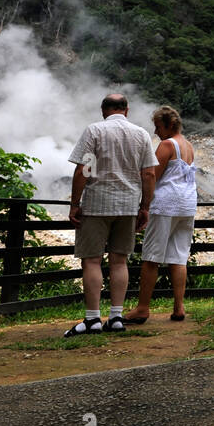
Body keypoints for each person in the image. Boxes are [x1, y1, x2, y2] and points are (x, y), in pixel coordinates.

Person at [65, 93, 157, 336]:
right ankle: (116, 317)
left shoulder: (94, 131)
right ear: (126, 110)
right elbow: (149, 174)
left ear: (103, 110)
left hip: (97, 204)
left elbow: (83, 170)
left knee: (92, 260)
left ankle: (92, 319)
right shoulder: (142, 134)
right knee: (119, 261)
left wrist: (75, 204)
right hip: (128, 206)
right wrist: (145, 207)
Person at [124, 105, 197, 323]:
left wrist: (143, 205)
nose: (155, 131)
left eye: (158, 126)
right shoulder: (189, 145)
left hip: (166, 205)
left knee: (151, 258)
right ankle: (179, 307)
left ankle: (143, 308)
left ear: (168, 125)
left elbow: (151, 176)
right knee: (178, 257)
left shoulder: (167, 145)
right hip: (187, 205)